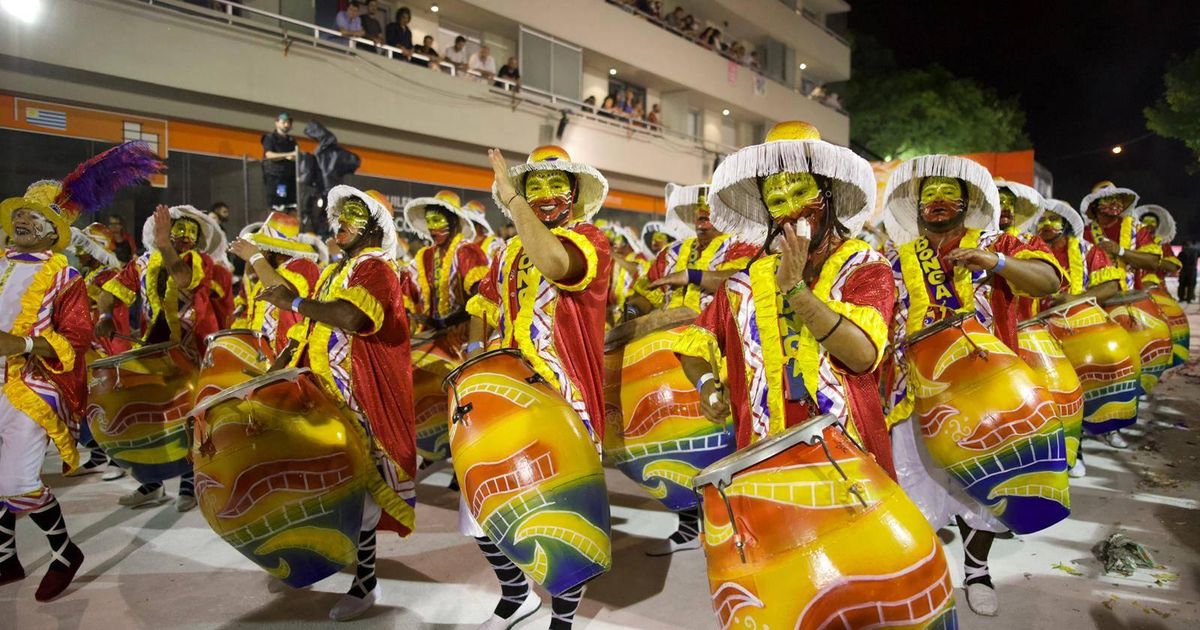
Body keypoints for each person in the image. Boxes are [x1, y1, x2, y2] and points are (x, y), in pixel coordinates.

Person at [672, 120, 896, 546]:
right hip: (763, 458)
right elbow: (692, 344)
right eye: (777, 199)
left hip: (846, 455)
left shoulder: (866, 268)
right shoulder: (747, 282)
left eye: (800, 193)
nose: (790, 209)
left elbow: (864, 354)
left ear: (827, 194)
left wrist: (796, 290)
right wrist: (705, 384)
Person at [882, 155, 1062, 618]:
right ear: (916, 205)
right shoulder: (892, 256)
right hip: (910, 391)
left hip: (987, 388)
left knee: (986, 484)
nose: (938, 202)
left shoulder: (998, 242)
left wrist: (996, 261)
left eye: (948, 194)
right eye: (929, 195)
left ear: (967, 201)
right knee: (914, 482)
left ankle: (977, 568)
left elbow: (1049, 281)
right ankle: (927, 569)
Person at [0, 142, 160, 602]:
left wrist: (25, 343)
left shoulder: (62, 277)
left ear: (54, 232)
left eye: (35, 217)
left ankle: (65, 552)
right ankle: (6, 557)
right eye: (21, 215)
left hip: (30, 385)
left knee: (18, 483)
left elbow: (76, 338)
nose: (23, 222)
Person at [465, 145, 612, 630]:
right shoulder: (506, 251)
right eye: (534, 187)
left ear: (573, 193)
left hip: (562, 397)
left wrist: (511, 199)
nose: (545, 196)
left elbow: (553, 264)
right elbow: (482, 307)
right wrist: (471, 364)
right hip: (502, 398)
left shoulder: (590, 240)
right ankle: (516, 592)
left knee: (560, 515)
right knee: (480, 508)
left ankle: (563, 618)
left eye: (556, 186)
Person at [262, 185, 417, 621]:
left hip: (359, 397)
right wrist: (276, 373)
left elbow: (350, 318)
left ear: (372, 225)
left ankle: (365, 583)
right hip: (324, 395)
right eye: (339, 215)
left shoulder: (377, 270)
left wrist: (292, 301)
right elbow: (309, 330)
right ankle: (312, 557)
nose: (339, 222)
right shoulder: (339, 271)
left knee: (359, 493)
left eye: (351, 214)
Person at [97, 204, 224, 511]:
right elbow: (110, 290)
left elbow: (181, 278)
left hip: (193, 352)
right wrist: (104, 314)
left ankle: (188, 484)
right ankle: (151, 484)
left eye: (190, 232)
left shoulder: (200, 261)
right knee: (152, 416)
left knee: (190, 417)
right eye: (178, 229)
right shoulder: (140, 263)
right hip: (154, 352)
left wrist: (165, 244)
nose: (185, 236)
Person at [1032, 199, 1122, 479]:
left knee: (1073, 395)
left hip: (1075, 334)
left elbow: (1111, 287)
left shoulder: (1087, 250)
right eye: (1041, 220)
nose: (1046, 225)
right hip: (1034, 334)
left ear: (1066, 223)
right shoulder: (1027, 249)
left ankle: (1076, 452)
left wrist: (1074, 299)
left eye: (1052, 219)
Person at [633, 184, 757, 316]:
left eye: (707, 218)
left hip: (715, 332)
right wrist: (634, 310)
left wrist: (691, 276)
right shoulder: (671, 252)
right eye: (698, 217)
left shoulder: (739, 246)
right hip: (670, 330)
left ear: (725, 217)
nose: (700, 224)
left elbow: (740, 282)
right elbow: (647, 293)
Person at [227, 211, 322, 354]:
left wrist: (255, 257)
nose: (260, 252)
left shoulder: (303, 265)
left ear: (273, 250)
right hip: (264, 358)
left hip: (290, 360)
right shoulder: (268, 272)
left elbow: (283, 294)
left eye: (262, 248)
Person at [402, 190, 488, 339]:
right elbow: (406, 292)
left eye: (437, 220)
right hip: (430, 335)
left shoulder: (467, 252)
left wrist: (444, 322)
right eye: (429, 221)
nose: (431, 227)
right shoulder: (424, 256)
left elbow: (481, 298)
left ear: (453, 221)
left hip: (465, 337)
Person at [1079, 181, 1160, 294]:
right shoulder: (1083, 234)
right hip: (1096, 298)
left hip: (1132, 297)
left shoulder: (1137, 228)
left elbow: (1153, 263)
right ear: (1094, 206)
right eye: (1108, 199)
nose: (1114, 202)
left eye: (1118, 199)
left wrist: (1120, 251)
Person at [261, 113, 298, 210]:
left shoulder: (291, 141)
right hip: (276, 178)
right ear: (277, 123)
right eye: (284, 122)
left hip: (290, 177)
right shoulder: (269, 138)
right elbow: (269, 155)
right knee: (278, 205)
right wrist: (287, 155)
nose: (286, 125)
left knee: (291, 206)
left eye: (288, 123)